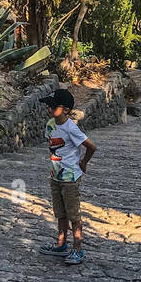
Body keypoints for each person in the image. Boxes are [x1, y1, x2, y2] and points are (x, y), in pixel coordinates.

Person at [38, 88, 96, 267]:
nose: (49, 109)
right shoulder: (50, 125)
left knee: (73, 214)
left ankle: (78, 249)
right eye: (49, 105)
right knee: (60, 212)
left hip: (70, 177)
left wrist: (83, 162)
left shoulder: (71, 128)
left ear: (64, 109)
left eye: (53, 106)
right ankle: (61, 244)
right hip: (56, 175)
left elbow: (91, 146)